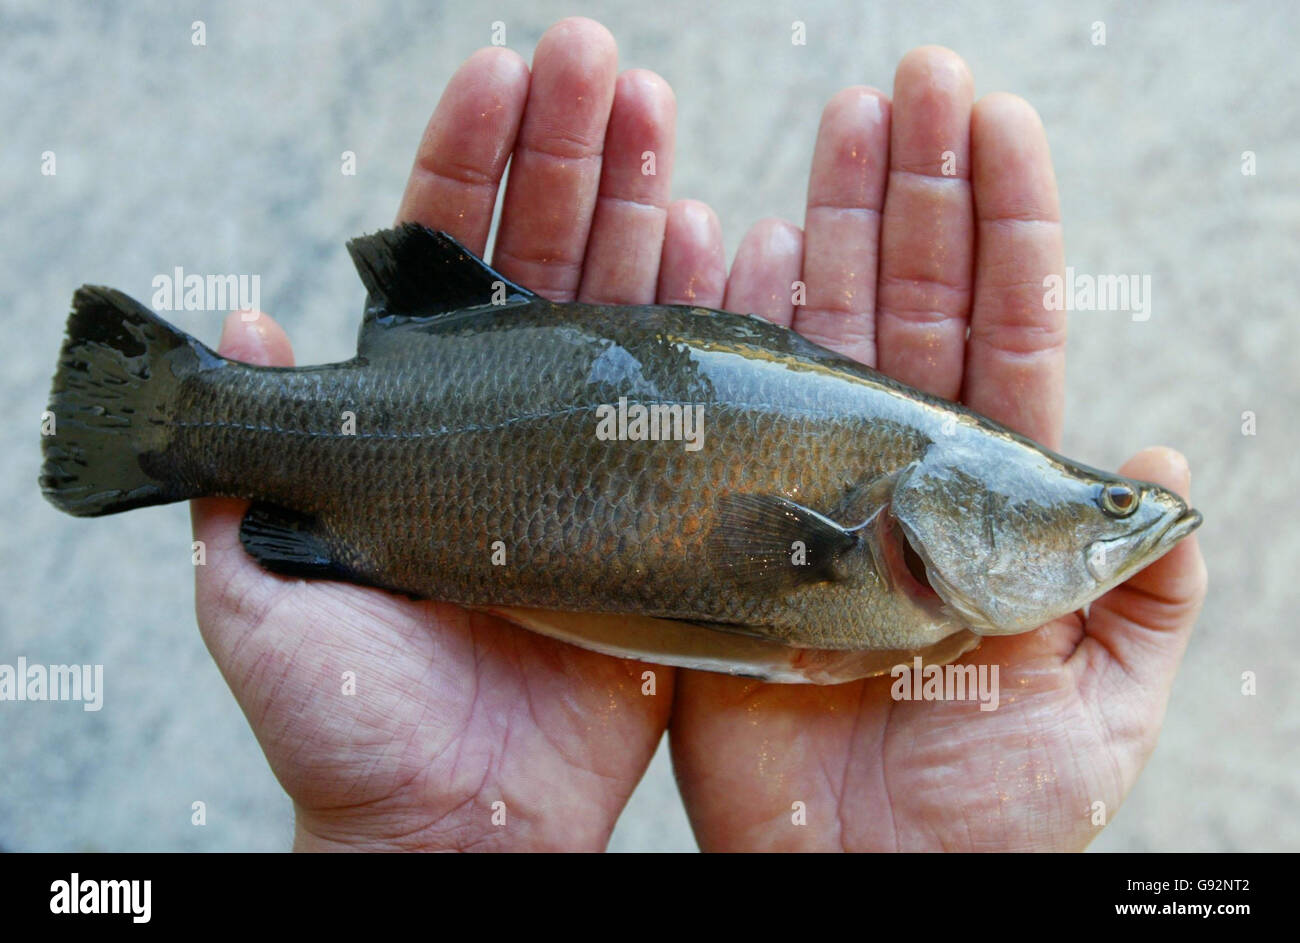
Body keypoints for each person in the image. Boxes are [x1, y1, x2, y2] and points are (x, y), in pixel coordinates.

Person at [191, 17, 1207, 852]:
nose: (1117, 520)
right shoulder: (898, 564)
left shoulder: (914, 590)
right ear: (950, 496)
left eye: (1101, 502)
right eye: (1100, 503)